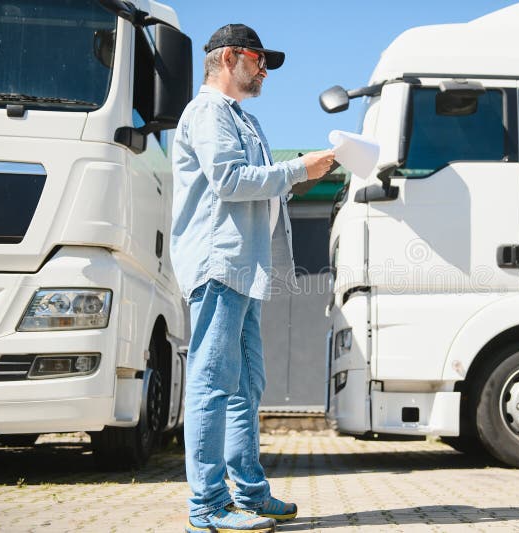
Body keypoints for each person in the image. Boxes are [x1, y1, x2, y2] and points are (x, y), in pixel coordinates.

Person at [170, 23, 335, 533]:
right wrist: (297, 171)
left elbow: (260, 188)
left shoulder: (243, 120)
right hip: (219, 265)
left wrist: (306, 173)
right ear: (229, 59)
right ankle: (207, 507)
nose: (264, 70)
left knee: (245, 387)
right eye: (259, 60)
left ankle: (250, 493)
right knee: (212, 384)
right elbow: (228, 180)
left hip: (243, 269)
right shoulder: (207, 113)